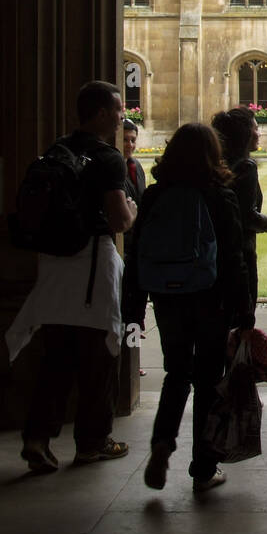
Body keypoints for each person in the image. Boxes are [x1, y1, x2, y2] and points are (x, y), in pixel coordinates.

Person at [7, 80, 136, 472]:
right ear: (100, 113)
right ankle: (92, 442)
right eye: (117, 110)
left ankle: (37, 438)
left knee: (55, 358)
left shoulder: (57, 149)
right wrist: (132, 209)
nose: (122, 117)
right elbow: (118, 220)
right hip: (90, 268)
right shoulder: (108, 158)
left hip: (53, 268)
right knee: (99, 358)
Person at [123, 123, 254, 491]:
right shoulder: (218, 194)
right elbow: (234, 259)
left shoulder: (154, 194)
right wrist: (244, 312)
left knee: (177, 373)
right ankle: (203, 467)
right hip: (210, 296)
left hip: (168, 296)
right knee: (209, 381)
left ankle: (162, 445)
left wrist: (134, 305)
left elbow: (137, 254)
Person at [211, 107, 267, 312]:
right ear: (244, 134)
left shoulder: (215, 164)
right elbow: (245, 216)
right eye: (255, 128)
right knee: (242, 317)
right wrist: (266, 222)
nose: (259, 133)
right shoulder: (246, 167)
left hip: (212, 253)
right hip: (239, 253)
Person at [122, 118, 148, 377]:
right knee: (127, 310)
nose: (129, 144)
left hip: (138, 249)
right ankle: (127, 358)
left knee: (137, 313)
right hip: (124, 249)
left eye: (132, 139)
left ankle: (132, 357)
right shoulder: (114, 169)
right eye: (125, 139)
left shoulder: (136, 166)